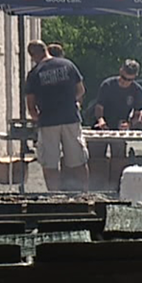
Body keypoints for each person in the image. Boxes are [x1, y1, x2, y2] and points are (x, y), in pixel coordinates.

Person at [24, 40, 89, 191]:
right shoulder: (67, 65)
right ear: (46, 49)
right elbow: (81, 90)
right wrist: (72, 102)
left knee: (50, 163)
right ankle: (85, 194)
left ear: (33, 56)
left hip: (48, 121)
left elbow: (30, 104)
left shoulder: (34, 74)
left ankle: (54, 196)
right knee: (78, 160)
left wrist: (37, 118)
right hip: (70, 118)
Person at [91, 59, 142, 159]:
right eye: (124, 78)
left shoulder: (137, 90)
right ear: (121, 71)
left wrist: (129, 124)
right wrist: (101, 120)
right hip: (102, 127)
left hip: (120, 128)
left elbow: (137, 113)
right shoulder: (107, 85)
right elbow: (99, 106)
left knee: (119, 158)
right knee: (96, 158)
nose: (125, 82)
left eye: (129, 80)